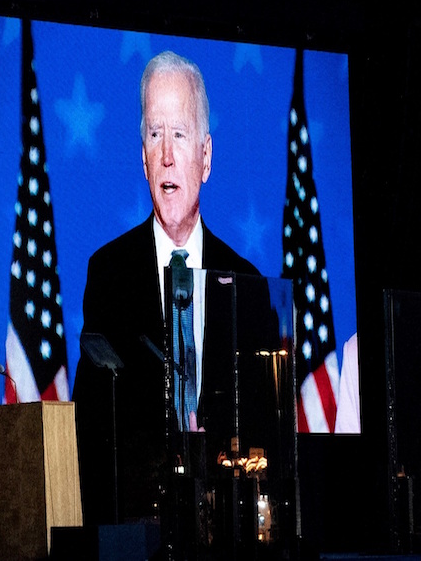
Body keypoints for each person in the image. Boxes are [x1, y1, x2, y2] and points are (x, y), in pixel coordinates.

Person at [73, 51, 276, 528]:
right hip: (139, 526)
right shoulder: (109, 272)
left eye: (179, 135)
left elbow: (265, 422)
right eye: (154, 134)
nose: (166, 154)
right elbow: (93, 423)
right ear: (142, 157)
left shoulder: (246, 283)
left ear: (206, 157)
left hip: (227, 528)